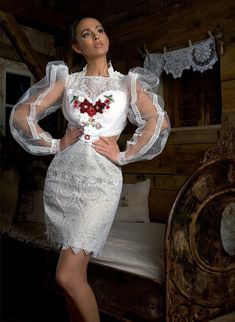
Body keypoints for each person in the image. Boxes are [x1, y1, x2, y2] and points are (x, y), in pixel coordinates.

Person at [10, 16, 170, 322]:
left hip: (101, 182)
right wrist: (56, 143)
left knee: (66, 277)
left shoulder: (127, 83)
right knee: (74, 279)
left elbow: (158, 122)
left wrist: (124, 154)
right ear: (76, 46)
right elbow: (21, 115)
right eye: (86, 34)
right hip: (63, 178)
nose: (96, 37)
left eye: (99, 30)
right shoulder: (66, 81)